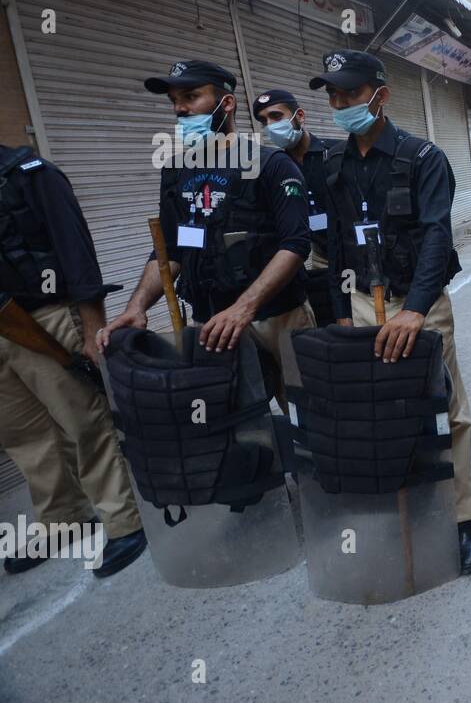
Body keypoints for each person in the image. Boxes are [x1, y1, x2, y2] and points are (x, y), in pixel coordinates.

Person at [308, 49, 471, 574]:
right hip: (361, 302)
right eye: (334, 95)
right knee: (377, 414)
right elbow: (335, 245)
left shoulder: (423, 158)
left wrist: (416, 311)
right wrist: (339, 311)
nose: (340, 104)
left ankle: (462, 518)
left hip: (417, 304)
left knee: (445, 409)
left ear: (379, 96)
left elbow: (435, 236)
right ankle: (402, 506)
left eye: (351, 94)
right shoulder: (332, 163)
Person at [102, 61, 315, 394]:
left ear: (226, 103)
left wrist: (244, 308)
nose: (180, 109)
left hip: (277, 317)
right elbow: (170, 249)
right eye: (174, 100)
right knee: (239, 421)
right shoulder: (175, 171)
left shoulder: (271, 163)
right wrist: (137, 306)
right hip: (211, 321)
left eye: (191, 96)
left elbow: (296, 243)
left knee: (306, 409)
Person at [0, 143, 146, 577]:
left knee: (84, 421)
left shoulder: (30, 173)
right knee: (23, 435)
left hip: (43, 319)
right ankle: (62, 518)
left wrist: (90, 327)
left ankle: (125, 520)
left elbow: (76, 252)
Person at [252, 89, 339, 326]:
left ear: (299, 116)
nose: (270, 125)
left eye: (276, 116)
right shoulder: (274, 167)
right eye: (263, 121)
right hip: (319, 257)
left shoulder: (336, 154)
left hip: (354, 254)